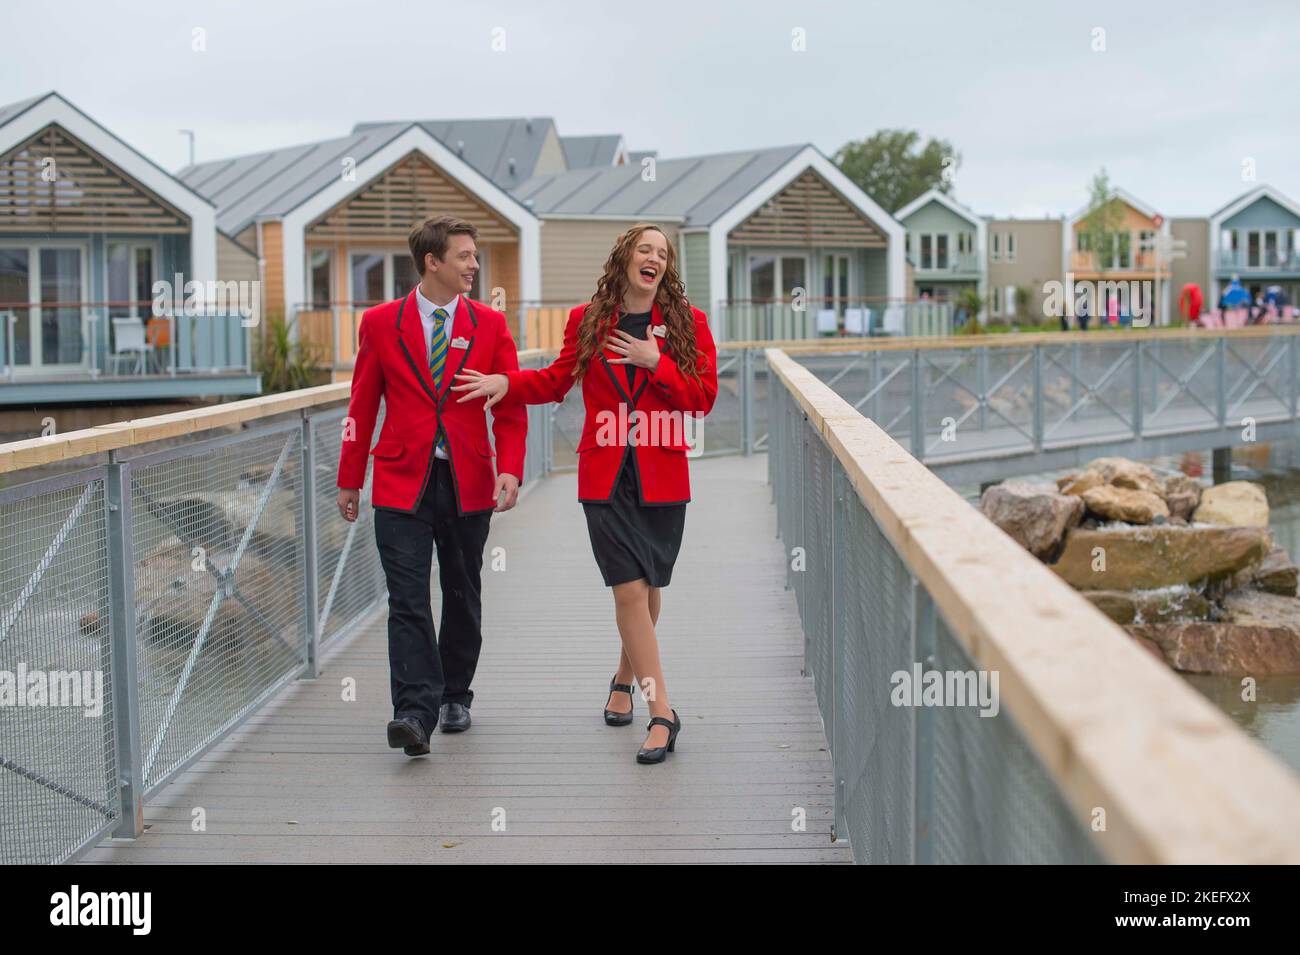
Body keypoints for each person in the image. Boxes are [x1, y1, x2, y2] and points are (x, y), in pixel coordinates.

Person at [452, 223, 718, 764]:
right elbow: (554, 380)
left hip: (662, 474)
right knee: (628, 591)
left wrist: (655, 363)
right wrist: (508, 382)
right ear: (624, 257)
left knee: (647, 590)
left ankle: (623, 679)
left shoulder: (689, 324)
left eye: (663, 253)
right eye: (645, 249)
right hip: (605, 476)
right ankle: (661, 710)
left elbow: (704, 398)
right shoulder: (588, 320)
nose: (655, 258)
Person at [335, 215, 527, 757]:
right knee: (408, 598)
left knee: (462, 591)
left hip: (468, 480)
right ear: (432, 262)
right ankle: (413, 714)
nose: (474, 265)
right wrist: (350, 478)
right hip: (401, 481)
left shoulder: (490, 325)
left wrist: (510, 467)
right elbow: (362, 404)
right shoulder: (379, 323)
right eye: (464, 256)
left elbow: (510, 408)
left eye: (474, 255)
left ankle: (455, 694)